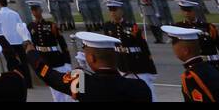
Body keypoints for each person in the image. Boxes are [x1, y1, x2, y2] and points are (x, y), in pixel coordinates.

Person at [24, 32, 152, 102]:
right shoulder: (139, 86)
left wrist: (30, 50)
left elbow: (48, 74)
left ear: (91, 58)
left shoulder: (81, 82)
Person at [102, 0, 156, 97]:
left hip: (137, 66)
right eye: (110, 10)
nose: (113, 13)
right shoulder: (108, 26)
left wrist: (151, 68)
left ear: (121, 11)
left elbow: (143, 47)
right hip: (121, 66)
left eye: (115, 10)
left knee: (147, 92)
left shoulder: (131, 27)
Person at [161, 25, 219, 103]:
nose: (173, 48)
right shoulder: (207, 67)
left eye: (174, 44)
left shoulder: (192, 76)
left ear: (185, 51)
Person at [26, 1, 73, 103]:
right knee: (52, 85)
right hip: (43, 60)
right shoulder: (30, 26)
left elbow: (62, 44)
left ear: (41, 10)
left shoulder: (51, 25)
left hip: (56, 58)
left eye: (36, 9)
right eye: (33, 10)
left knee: (66, 83)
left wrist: (67, 60)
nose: (35, 12)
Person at [0, 0, 30, 85]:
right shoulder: (14, 13)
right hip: (18, 40)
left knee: (11, 62)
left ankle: (15, 81)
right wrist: (25, 39)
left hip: (7, 41)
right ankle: (28, 82)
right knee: (23, 61)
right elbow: (21, 26)